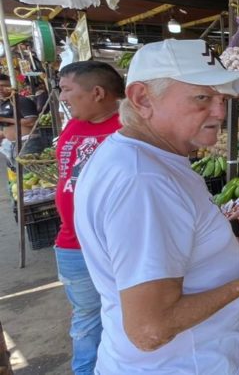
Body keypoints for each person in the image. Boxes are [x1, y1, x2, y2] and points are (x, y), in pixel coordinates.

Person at [73, 39, 239, 374]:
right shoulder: (143, 182)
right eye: (202, 97)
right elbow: (150, 330)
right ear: (143, 99)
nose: (220, 112)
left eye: (222, 98)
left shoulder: (145, 158)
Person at [54, 61, 125, 375]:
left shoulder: (131, 127)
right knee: (85, 321)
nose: (62, 97)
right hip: (72, 244)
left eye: (67, 89)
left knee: (124, 316)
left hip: (118, 247)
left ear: (97, 92)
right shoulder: (73, 125)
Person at [0, 74, 46, 160]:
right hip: (14, 144)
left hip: (28, 142)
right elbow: (7, 127)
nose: (1, 89)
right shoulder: (3, 103)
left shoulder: (21, 101)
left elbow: (32, 121)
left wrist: (3, 119)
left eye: (3, 86)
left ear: (11, 86)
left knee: (27, 171)